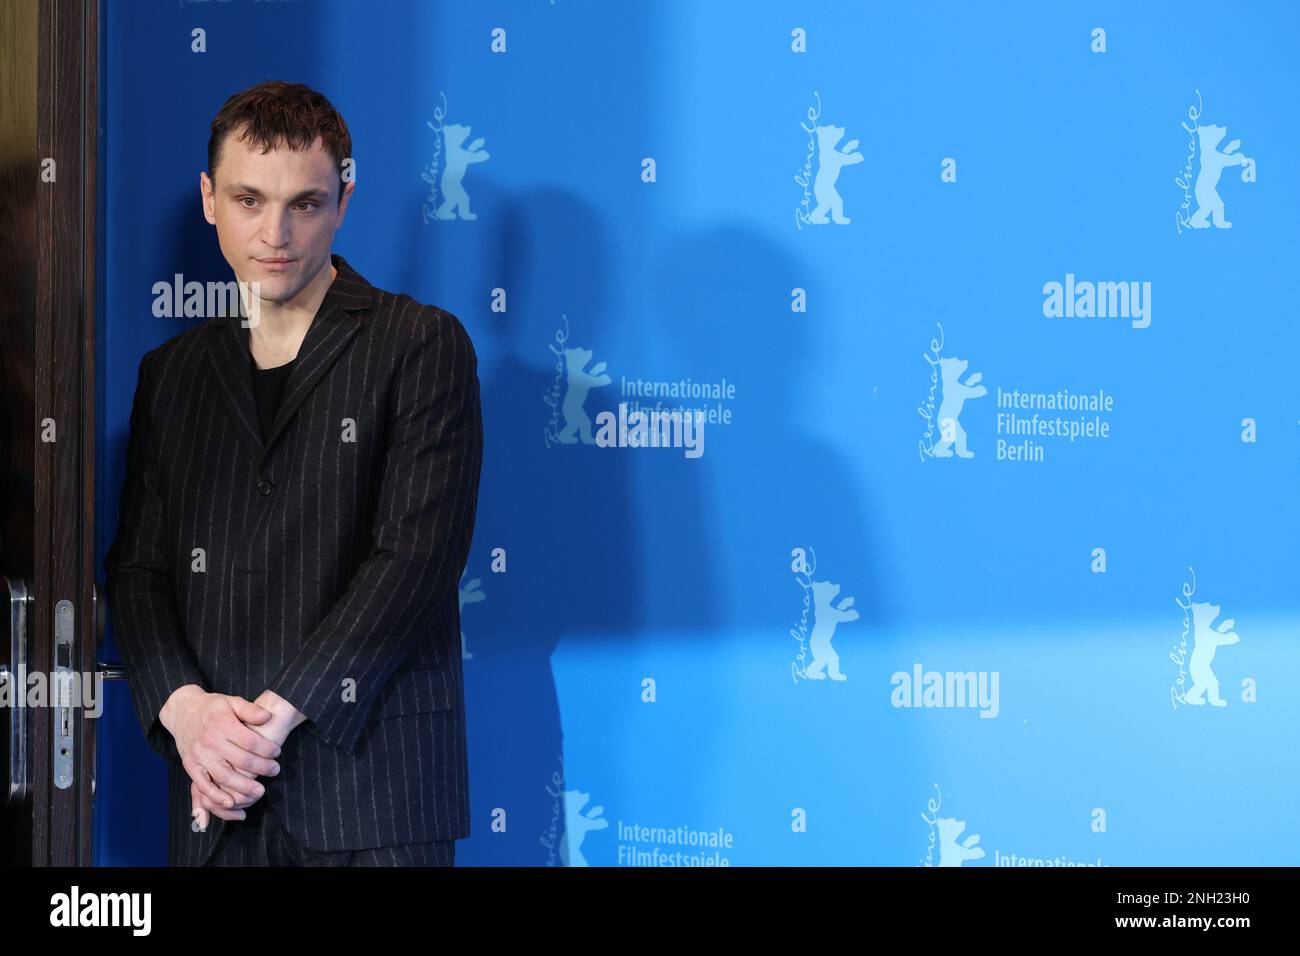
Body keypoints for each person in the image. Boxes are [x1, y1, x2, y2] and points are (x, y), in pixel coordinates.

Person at [104, 80, 483, 866]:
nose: (275, 233)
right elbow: (137, 570)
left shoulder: (421, 345)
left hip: (371, 793)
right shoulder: (169, 373)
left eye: (305, 204)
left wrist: (275, 717)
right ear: (209, 199)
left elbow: (414, 562)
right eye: (248, 199)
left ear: (344, 198)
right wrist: (185, 713)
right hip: (217, 797)